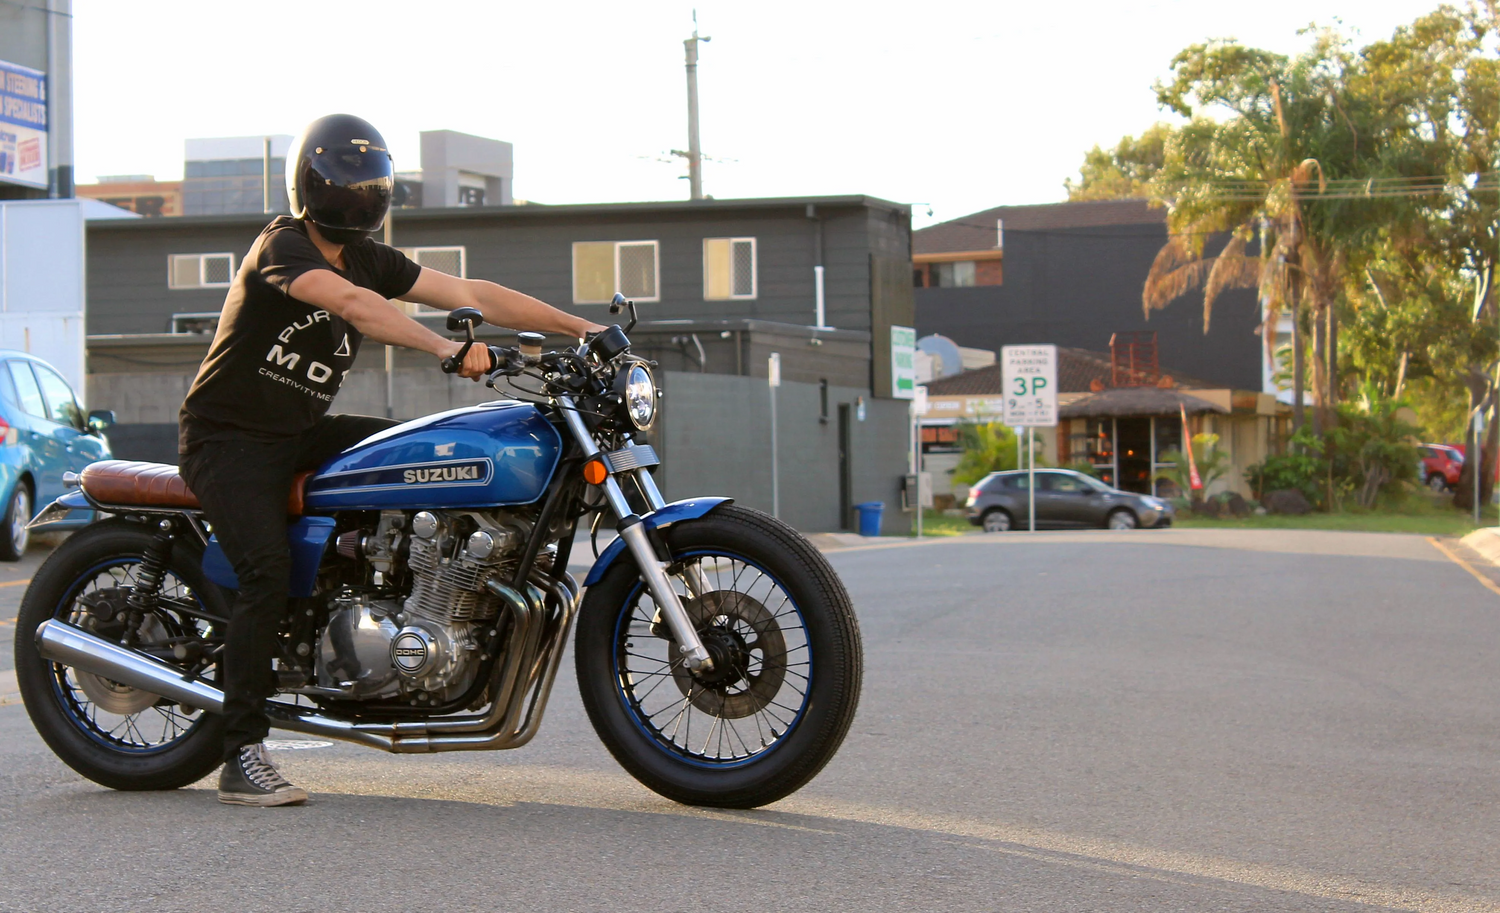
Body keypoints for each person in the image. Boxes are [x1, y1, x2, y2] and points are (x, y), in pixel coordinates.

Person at [178, 114, 603, 806]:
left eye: (365, 183)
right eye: (344, 182)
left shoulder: (372, 258)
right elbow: (352, 306)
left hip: (299, 432)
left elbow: (477, 293)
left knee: (425, 460)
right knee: (264, 571)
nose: (356, 195)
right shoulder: (281, 247)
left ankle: (380, 605)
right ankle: (240, 754)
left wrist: (584, 329)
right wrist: (445, 348)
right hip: (226, 439)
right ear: (311, 186)